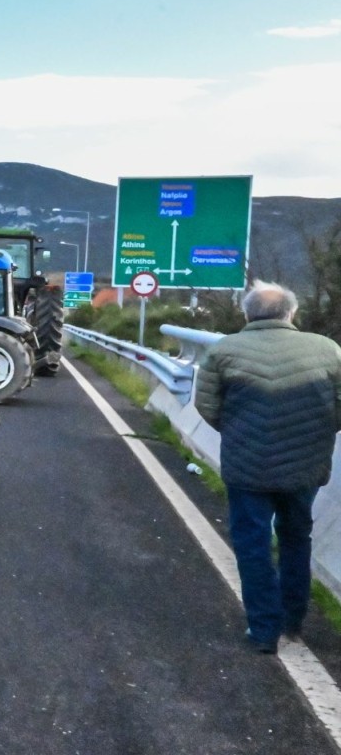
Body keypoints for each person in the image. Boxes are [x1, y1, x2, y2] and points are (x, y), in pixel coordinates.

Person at [195, 280, 341, 654]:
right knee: (296, 536)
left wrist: (238, 432)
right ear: (292, 313)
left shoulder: (223, 350)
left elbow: (206, 405)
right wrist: (316, 435)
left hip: (247, 465)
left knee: (252, 543)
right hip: (305, 466)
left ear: (247, 314)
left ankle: (263, 631)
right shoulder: (327, 350)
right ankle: (293, 620)